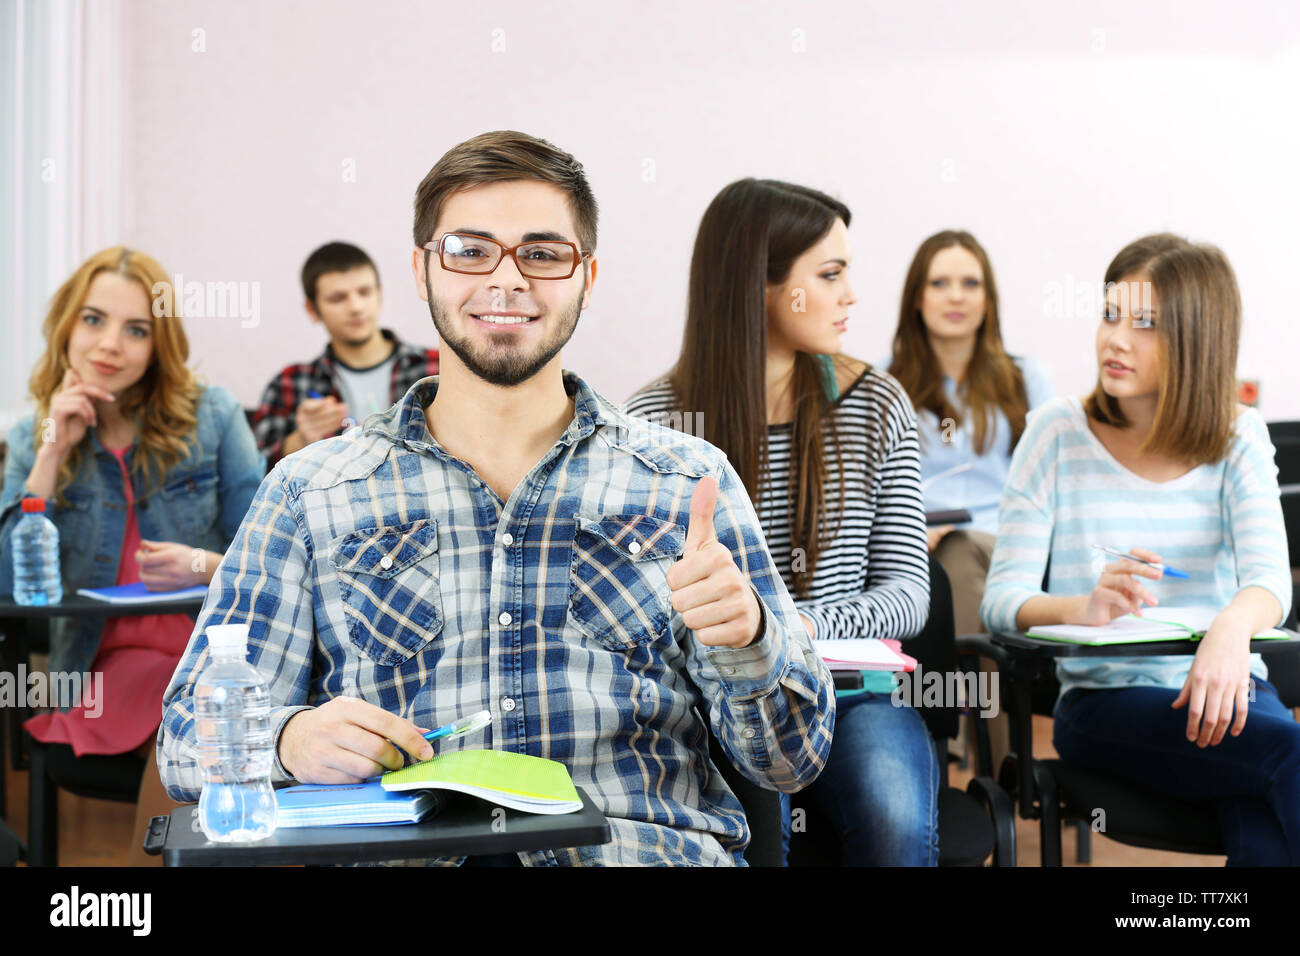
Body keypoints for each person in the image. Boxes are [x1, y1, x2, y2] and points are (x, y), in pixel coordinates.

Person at [159, 132, 835, 867]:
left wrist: (750, 638)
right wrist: (289, 741)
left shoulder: (686, 482)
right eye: (470, 251)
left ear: (587, 276)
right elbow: (186, 743)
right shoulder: (308, 489)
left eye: (542, 255)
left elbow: (791, 763)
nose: (506, 281)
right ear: (422, 270)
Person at [626, 179, 935, 866]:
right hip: (711, 705)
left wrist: (790, 630)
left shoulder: (878, 404)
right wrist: (749, 650)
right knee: (757, 835)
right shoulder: (653, 424)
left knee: (894, 820)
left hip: (852, 697)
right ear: (756, 287)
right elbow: (645, 615)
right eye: (830, 274)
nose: (851, 294)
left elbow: (910, 594)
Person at [980, 233, 1300, 866]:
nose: (1115, 339)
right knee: (1286, 759)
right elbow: (1000, 601)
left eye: (1146, 323)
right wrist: (1082, 607)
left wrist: (1231, 629)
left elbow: (1270, 584)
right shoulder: (1056, 433)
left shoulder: (1238, 437)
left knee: (1263, 811)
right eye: (1110, 314)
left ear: (1196, 340)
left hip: (1234, 692)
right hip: (1106, 705)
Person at [0, 246, 264, 863]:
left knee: (200, 707)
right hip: (99, 668)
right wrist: (52, 453)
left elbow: (268, 558)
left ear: (158, 344)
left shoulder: (213, 417)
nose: (109, 344)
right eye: (93, 320)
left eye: (136, 329)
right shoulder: (31, 432)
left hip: (209, 654)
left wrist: (199, 563)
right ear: (66, 323)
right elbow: (8, 584)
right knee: (197, 720)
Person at [881, 230, 1052, 773]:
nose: (956, 296)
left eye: (970, 283)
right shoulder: (884, 383)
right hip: (912, 548)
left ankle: (944, 735)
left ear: (988, 298)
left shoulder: (1025, 379)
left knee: (956, 553)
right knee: (940, 560)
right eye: (940, 283)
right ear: (917, 297)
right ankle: (1002, 769)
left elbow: (1053, 484)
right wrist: (911, 530)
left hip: (1008, 547)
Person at [251, 241, 440, 466]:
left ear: (379, 295)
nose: (355, 306)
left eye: (364, 292)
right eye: (337, 298)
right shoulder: (290, 383)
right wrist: (300, 439)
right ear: (313, 310)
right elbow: (252, 474)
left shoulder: (436, 367)